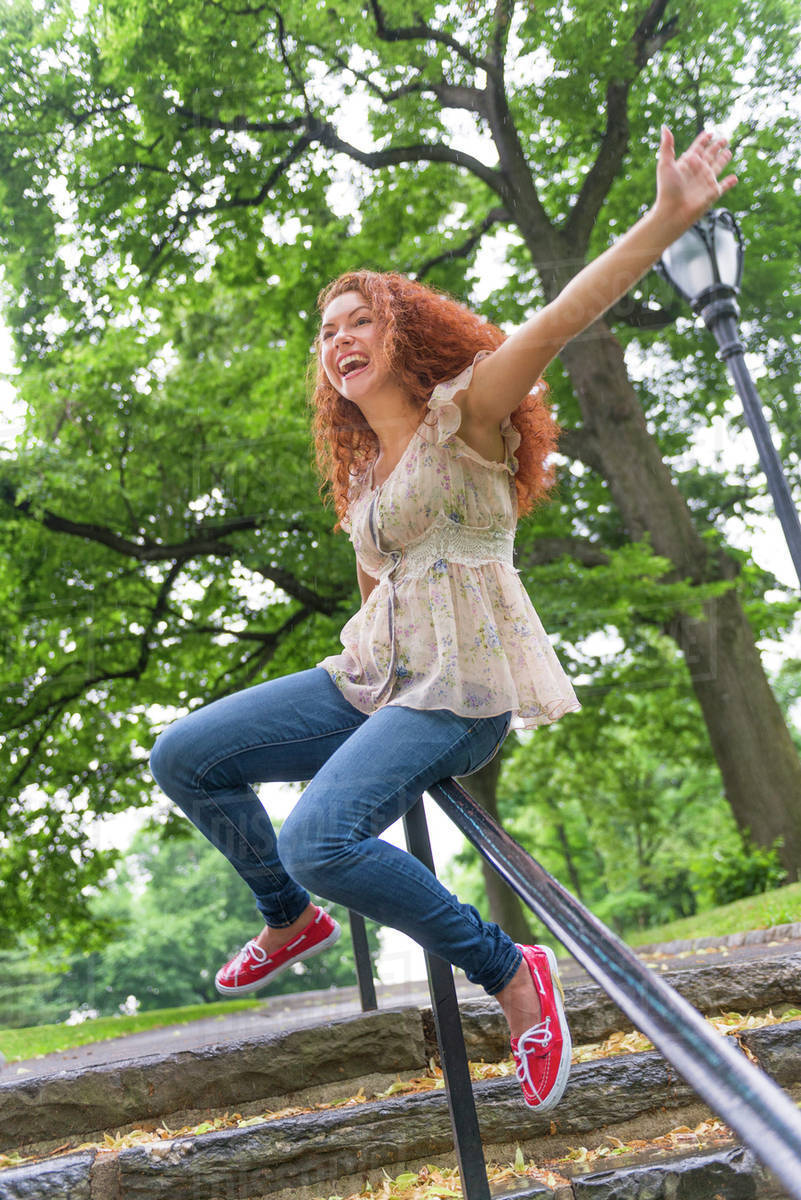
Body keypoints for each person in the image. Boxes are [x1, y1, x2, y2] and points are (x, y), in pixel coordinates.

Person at [149, 126, 735, 1114]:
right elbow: (379, 598)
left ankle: (508, 972)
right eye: (326, 331)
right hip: (373, 682)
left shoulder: (468, 414)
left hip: (460, 688)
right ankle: (287, 921)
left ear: (401, 332)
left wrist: (662, 221)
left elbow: (552, 323)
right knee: (184, 756)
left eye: (357, 321)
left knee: (320, 838)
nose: (339, 340)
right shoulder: (365, 482)